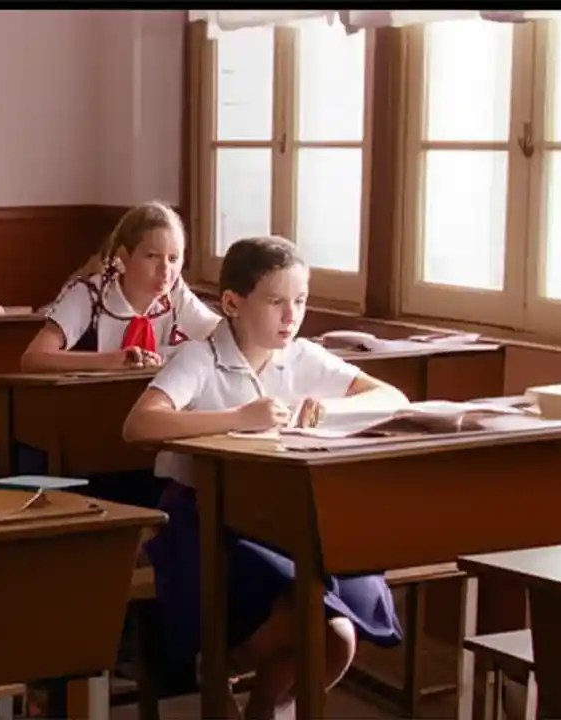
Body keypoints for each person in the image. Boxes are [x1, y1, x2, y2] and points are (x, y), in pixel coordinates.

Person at [122, 236, 409, 719]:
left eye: (299, 302)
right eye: (276, 302)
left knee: (337, 638)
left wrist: (331, 407)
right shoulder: (200, 358)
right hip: (205, 519)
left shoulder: (302, 357)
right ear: (233, 303)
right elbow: (140, 424)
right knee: (292, 622)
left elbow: (393, 399)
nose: (290, 316)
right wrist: (237, 418)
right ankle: (214, 668)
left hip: (291, 517)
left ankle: (262, 708)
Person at [21, 200, 220, 373]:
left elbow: (220, 333)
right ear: (124, 257)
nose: (165, 269)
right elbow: (34, 359)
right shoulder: (91, 295)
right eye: (152, 256)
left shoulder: (176, 294)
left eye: (174, 258)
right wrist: (111, 360)